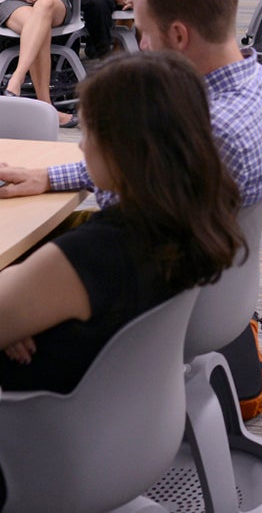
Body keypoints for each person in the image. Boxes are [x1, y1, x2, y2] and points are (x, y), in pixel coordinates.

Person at [0, 50, 241, 403]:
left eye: (90, 130)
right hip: (121, 409)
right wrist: (23, 308)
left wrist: (18, 309)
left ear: (122, 149)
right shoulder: (199, 217)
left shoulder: (93, 254)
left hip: (40, 428)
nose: (81, 144)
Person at [0, 0, 262, 213]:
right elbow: (138, 171)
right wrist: (49, 177)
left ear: (179, 35)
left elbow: (121, 212)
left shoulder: (202, 132)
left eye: (144, 33)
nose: (143, 46)